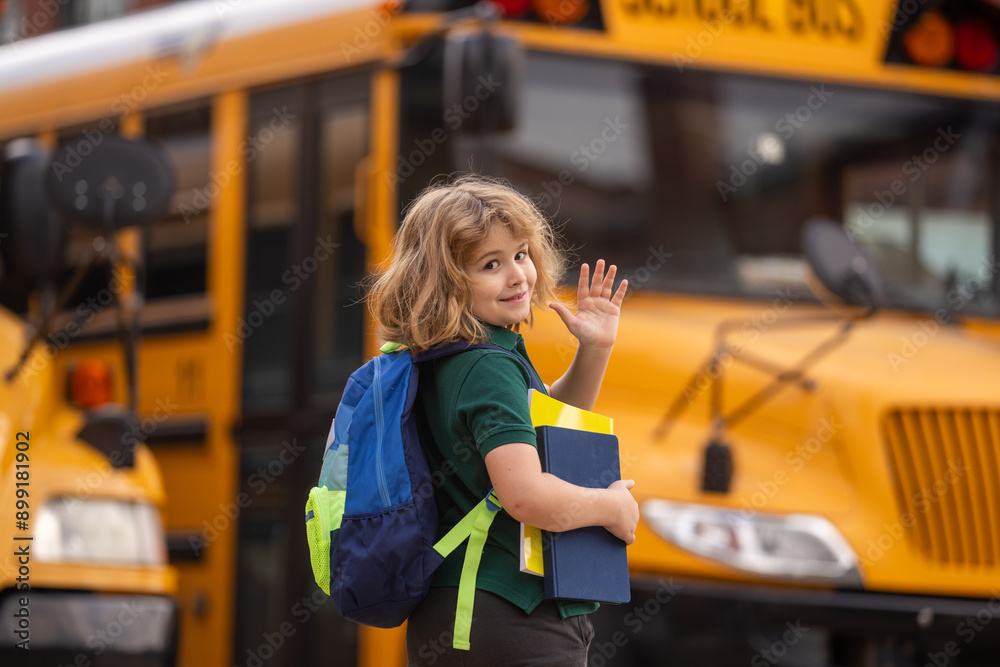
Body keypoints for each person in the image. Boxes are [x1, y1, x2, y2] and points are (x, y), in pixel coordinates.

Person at [367, 175, 639, 667]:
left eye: (520, 254)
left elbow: (542, 424)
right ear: (446, 281)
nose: (518, 275)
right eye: (490, 264)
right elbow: (524, 495)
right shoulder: (487, 367)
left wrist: (594, 348)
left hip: (459, 613)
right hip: (507, 614)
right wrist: (610, 508)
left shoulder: (449, 358)